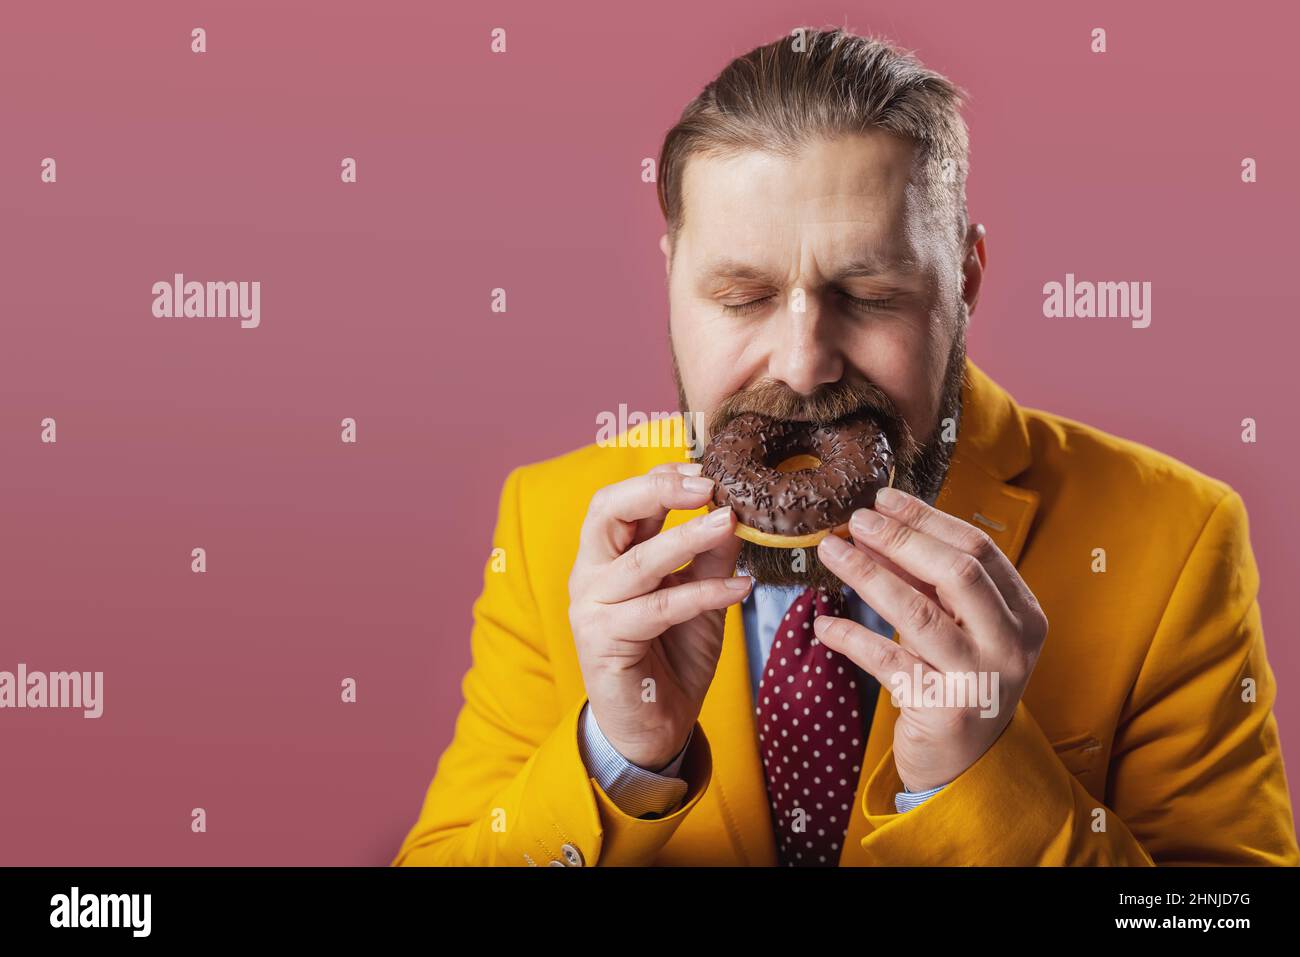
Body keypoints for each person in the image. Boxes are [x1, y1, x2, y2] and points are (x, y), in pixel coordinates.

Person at [393, 28, 1299, 866]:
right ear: (671, 276)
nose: (803, 364)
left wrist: (981, 780)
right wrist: (616, 757)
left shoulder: (1174, 537)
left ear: (966, 280)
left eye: (867, 294)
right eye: (743, 297)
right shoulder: (556, 525)